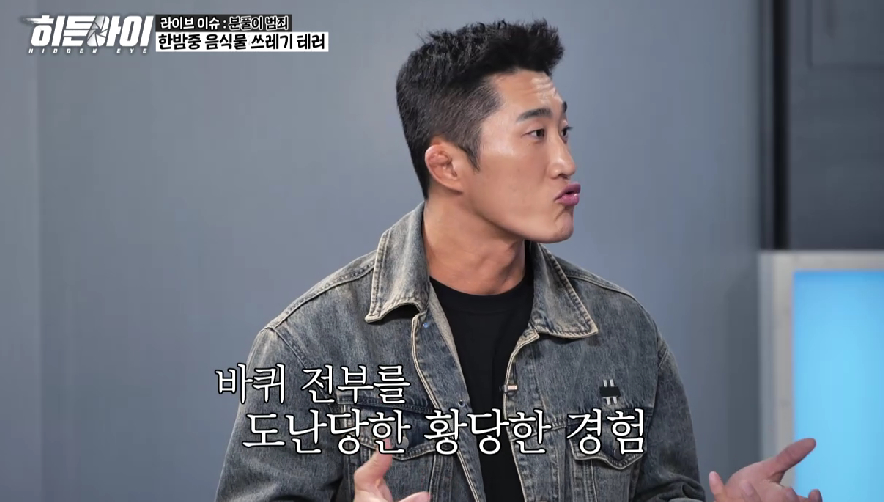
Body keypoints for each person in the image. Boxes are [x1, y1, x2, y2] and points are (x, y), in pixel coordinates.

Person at [215, 20, 823, 502]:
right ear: (447, 165)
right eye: (536, 135)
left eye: (565, 131)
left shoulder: (622, 330)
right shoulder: (311, 345)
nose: (566, 162)